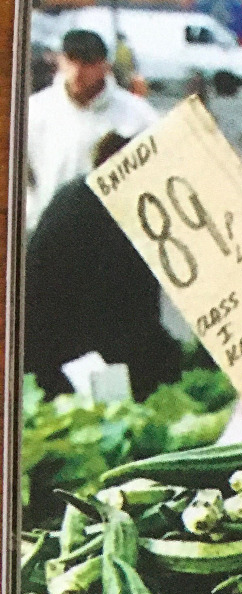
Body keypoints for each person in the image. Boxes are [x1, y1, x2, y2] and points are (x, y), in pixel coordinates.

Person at [25, 131, 184, 400]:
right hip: (72, 362)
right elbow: (130, 321)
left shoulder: (73, 197)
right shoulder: (109, 218)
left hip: (44, 357)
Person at [26, 29, 157, 231]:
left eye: (88, 63)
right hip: (47, 233)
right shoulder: (33, 111)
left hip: (110, 235)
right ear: (60, 61)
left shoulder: (138, 116)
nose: (78, 72)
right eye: (72, 60)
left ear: (105, 66)